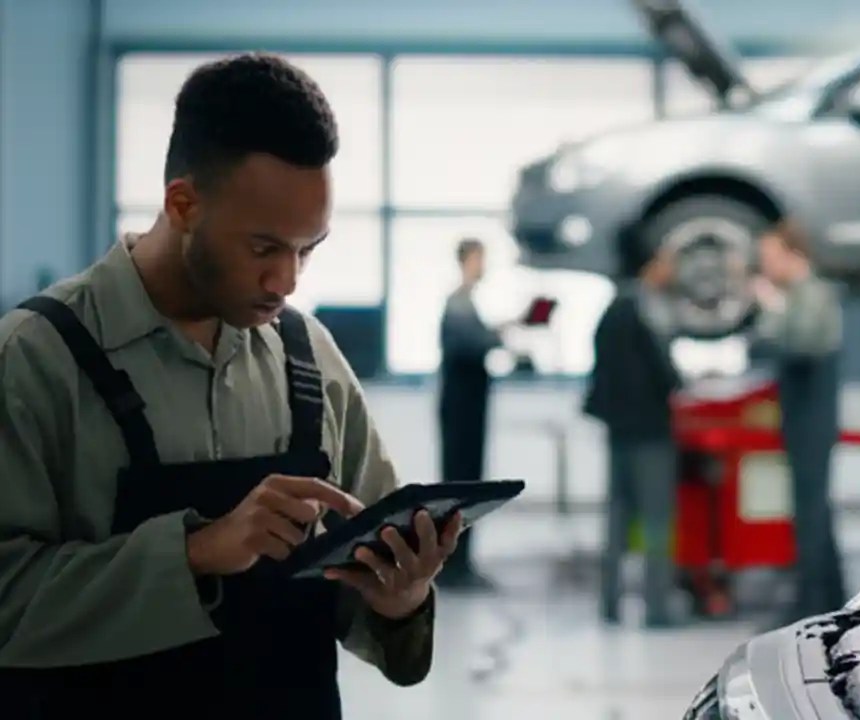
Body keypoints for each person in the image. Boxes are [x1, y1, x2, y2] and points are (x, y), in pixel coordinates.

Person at [0, 53, 459, 718]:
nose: (288, 281)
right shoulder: (34, 362)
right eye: (264, 248)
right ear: (182, 204)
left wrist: (398, 599)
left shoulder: (310, 359)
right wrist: (194, 554)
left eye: (308, 249)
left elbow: (365, 569)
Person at [584, 226, 683, 628]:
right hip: (651, 433)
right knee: (657, 520)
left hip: (618, 431)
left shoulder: (610, 310)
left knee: (617, 518)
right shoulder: (650, 307)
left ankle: (609, 604)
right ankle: (657, 607)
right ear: (651, 265)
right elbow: (665, 371)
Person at [751, 218, 848, 626]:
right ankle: (831, 595)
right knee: (813, 511)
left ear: (794, 255)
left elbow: (804, 345)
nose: (766, 267)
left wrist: (772, 311)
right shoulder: (800, 296)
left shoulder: (812, 295)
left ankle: (811, 602)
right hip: (803, 420)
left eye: (770, 258)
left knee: (809, 511)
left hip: (811, 420)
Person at [436, 238, 507, 590]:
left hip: (470, 408)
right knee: (460, 487)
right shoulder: (458, 303)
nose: (484, 266)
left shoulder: (468, 304)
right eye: (480, 258)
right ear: (466, 260)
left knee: (469, 486)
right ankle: (455, 566)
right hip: (461, 411)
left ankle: (462, 562)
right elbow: (468, 345)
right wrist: (496, 336)